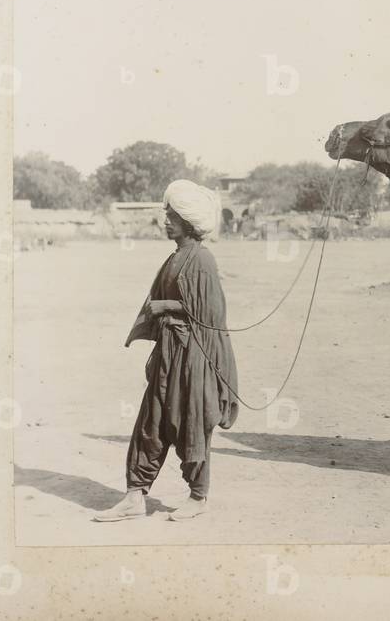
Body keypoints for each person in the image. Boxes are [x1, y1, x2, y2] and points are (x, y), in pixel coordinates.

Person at [93, 179, 239, 522]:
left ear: (188, 221)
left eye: (171, 215)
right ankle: (134, 496)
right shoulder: (175, 257)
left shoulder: (202, 260)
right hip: (169, 353)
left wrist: (165, 307)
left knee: (190, 423)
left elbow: (210, 316)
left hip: (193, 358)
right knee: (152, 421)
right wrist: (163, 315)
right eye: (166, 213)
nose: (166, 220)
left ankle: (198, 496)